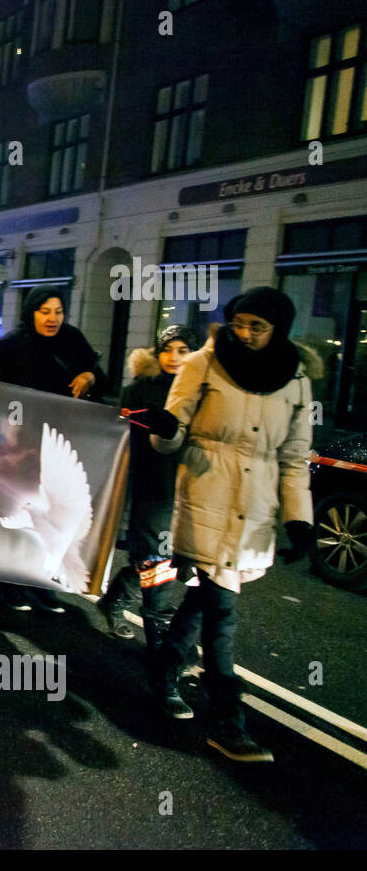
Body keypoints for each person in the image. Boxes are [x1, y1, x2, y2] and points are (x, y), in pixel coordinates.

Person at [141, 289, 316, 763]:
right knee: (222, 615)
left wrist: (300, 519)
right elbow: (174, 428)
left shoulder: (296, 380)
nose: (244, 334)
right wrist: (164, 427)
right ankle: (227, 723)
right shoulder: (204, 362)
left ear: (279, 328)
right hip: (206, 499)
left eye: (257, 326)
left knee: (205, 600)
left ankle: (163, 671)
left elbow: (295, 458)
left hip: (254, 512)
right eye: (238, 323)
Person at [0, 286, 104, 613]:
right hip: (20, 446)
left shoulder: (72, 340)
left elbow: (100, 376)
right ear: (31, 312)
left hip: (60, 445)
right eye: (45, 311)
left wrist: (89, 376)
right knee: (19, 511)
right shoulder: (9, 347)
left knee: (51, 516)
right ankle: (9, 584)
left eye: (58, 312)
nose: (53, 319)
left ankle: (41, 580)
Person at [99, 325, 199, 643]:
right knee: (157, 557)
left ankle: (116, 599)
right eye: (167, 350)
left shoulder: (201, 389)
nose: (174, 357)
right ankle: (159, 629)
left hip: (188, 487)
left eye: (183, 351)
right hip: (150, 485)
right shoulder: (142, 388)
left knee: (161, 556)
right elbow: (123, 427)